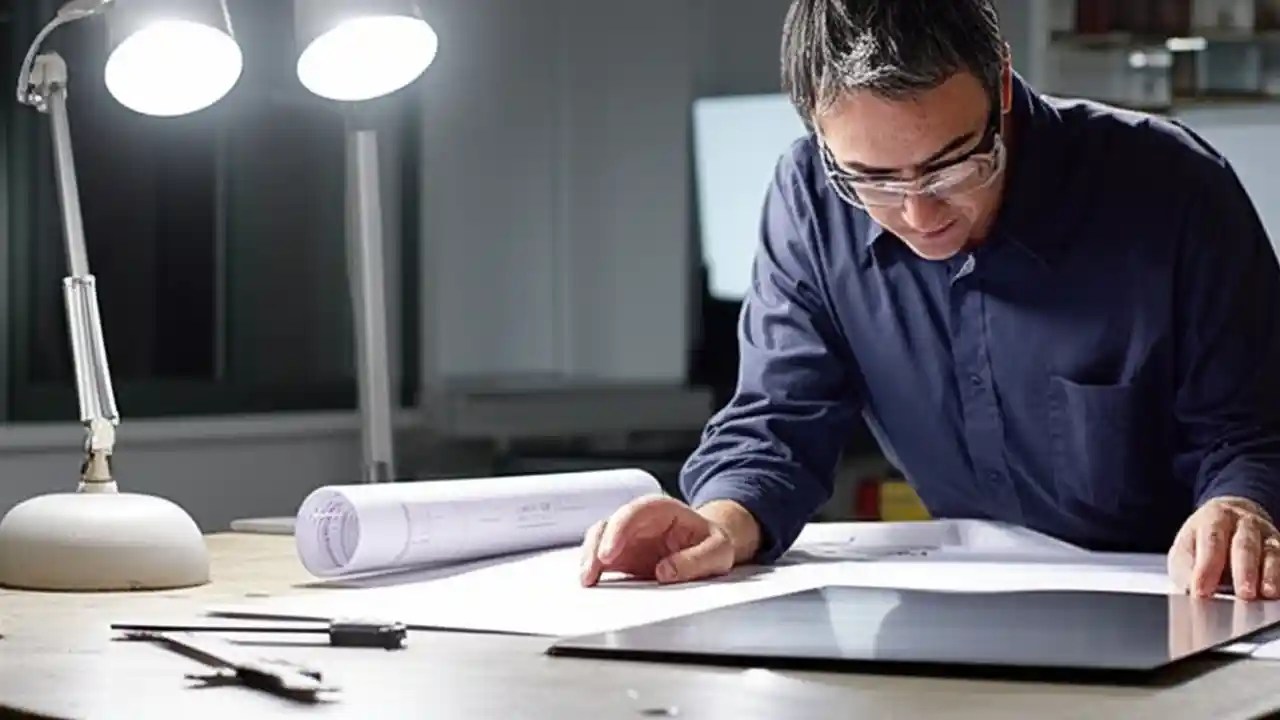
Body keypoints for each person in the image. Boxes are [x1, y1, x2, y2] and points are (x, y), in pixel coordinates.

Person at [580, 0, 1280, 599]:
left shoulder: (1172, 190)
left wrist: (1241, 506)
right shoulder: (812, 200)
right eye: (873, 180)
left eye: (952, 166)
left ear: (1000, 83)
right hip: (962, 605)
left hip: (1179, 599)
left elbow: (1249, 432)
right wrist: (721, 522)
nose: (918, 214)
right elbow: (778, 419)